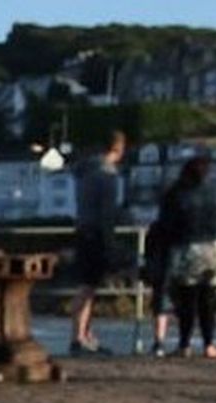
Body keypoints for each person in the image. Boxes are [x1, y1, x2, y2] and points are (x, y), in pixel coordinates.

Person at [161, 155, 216, 359]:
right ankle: (209, 344)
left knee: (187, 300)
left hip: (189, 248)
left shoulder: (177, 193)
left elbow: (167, 225)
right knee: (208, 299)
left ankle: (185, 344)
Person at [70, 130, 126, 356]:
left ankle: (83, 334)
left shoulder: (84, 172)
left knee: (86, 286)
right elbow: (107, 214)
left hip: (83, 230)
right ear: (118, 149)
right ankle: (79, 337)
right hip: (97, 234)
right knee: (88, 288)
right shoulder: (107, 176)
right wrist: (110, 243)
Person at [143, 192, 175, 357]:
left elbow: (148, 250)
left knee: (160, 305)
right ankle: (184, 343)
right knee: (187, 303)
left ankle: (159, 343)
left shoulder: (156, 227)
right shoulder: (182, 224)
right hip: (178, 266)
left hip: (160, 268)